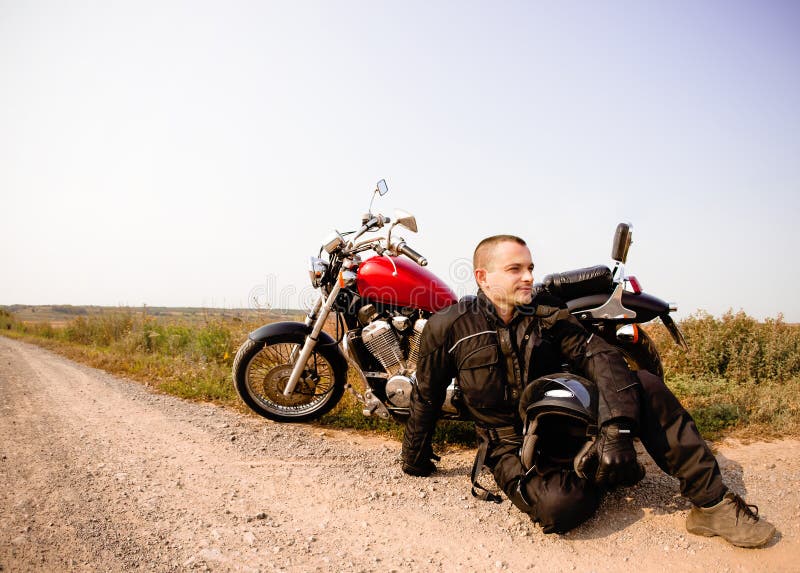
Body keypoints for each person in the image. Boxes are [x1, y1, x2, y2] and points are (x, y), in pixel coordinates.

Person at [401, 234, 775, 547]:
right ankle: (602, 471)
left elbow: (599, 355)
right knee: (560, 510)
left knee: (644, 383)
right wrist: (413, 460)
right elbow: (427, 396)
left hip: (559, 422)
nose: (529, 276)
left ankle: (711, 504)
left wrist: (616, 430)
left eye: (530, 267)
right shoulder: (449, 326)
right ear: (483, 277)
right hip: (509, 444)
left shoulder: (545, 312)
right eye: (515, 269)